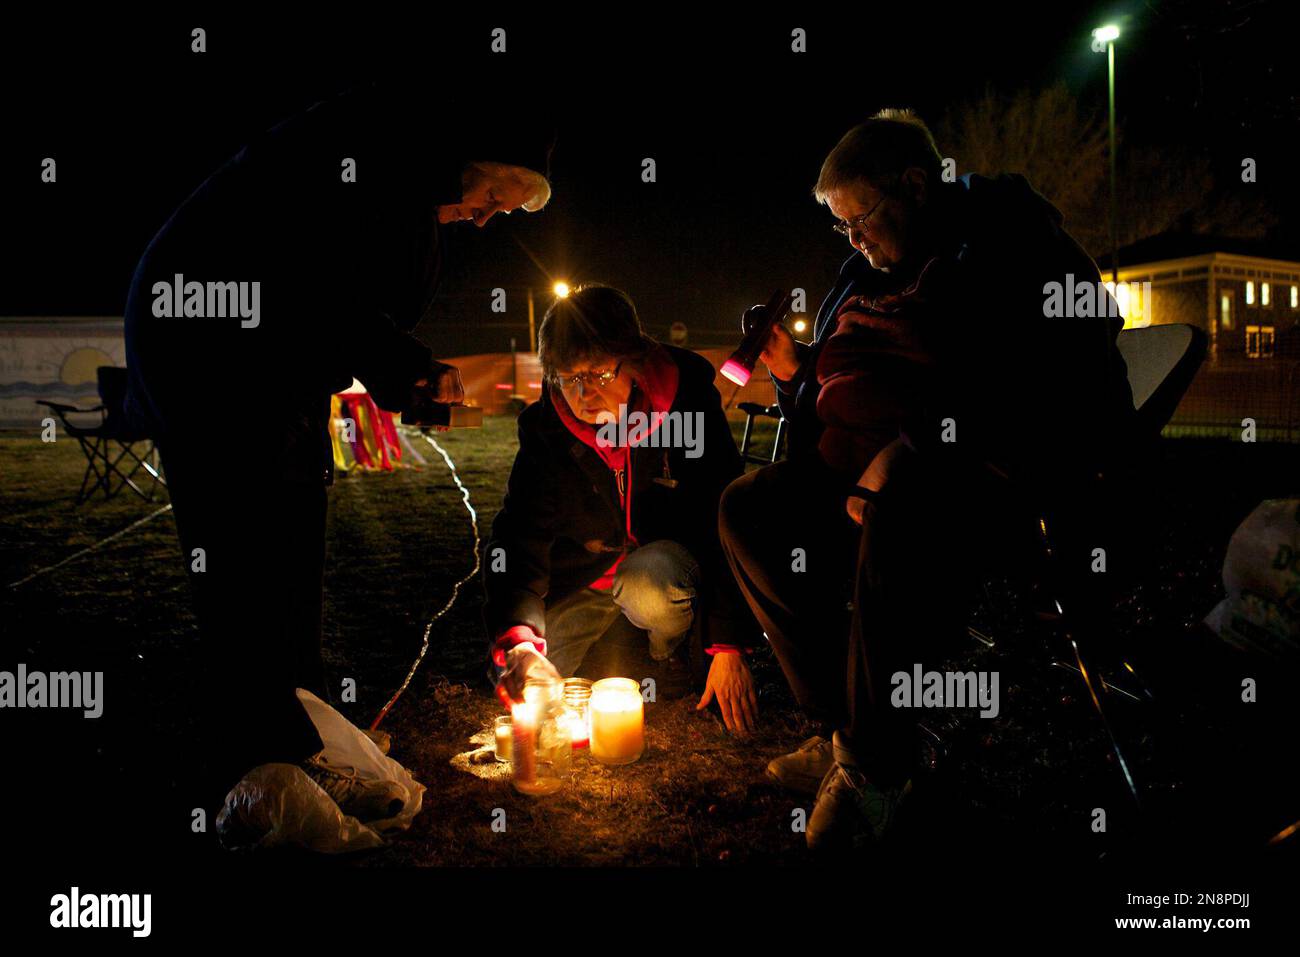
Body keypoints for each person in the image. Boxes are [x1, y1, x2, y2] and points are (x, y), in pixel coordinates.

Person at [122, 83, 554, 812]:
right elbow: (317, 287)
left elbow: (334, 306)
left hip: (259, 360)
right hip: (206, 349)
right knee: (247, 551)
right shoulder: (371, 161)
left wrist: (411, 376)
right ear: (474, 153)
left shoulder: (396, 180)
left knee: (291, 528)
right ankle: (267, 769)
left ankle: (307, 732)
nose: (491, 215)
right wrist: (411, 369)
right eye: (500, 192)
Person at [725, 109, 1137, 849]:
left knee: (896, 498)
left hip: (982, 480)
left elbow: (1064, 368)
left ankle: (875, 770)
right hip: (862, 470)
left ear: (915, 185)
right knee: (750, 508)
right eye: (839, 227)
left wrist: (917, 444)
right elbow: (841, 386)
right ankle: (849, 725)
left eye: (859, 219)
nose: (851, 239)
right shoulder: (864, 275)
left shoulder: (1013, 239)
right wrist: (794, 374)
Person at [484, 284, 760, 732]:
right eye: (569, 378)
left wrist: (727, 644)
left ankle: (664, 650)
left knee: (649, 583)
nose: (585, 393)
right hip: (588, 573)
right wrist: (519, 642)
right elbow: (519, 535)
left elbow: (724, 514)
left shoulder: (686, 402)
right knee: (529, 682)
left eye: (598, 373)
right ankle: (610, 635)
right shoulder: (546, 430)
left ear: (634, 358)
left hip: (663, 563)